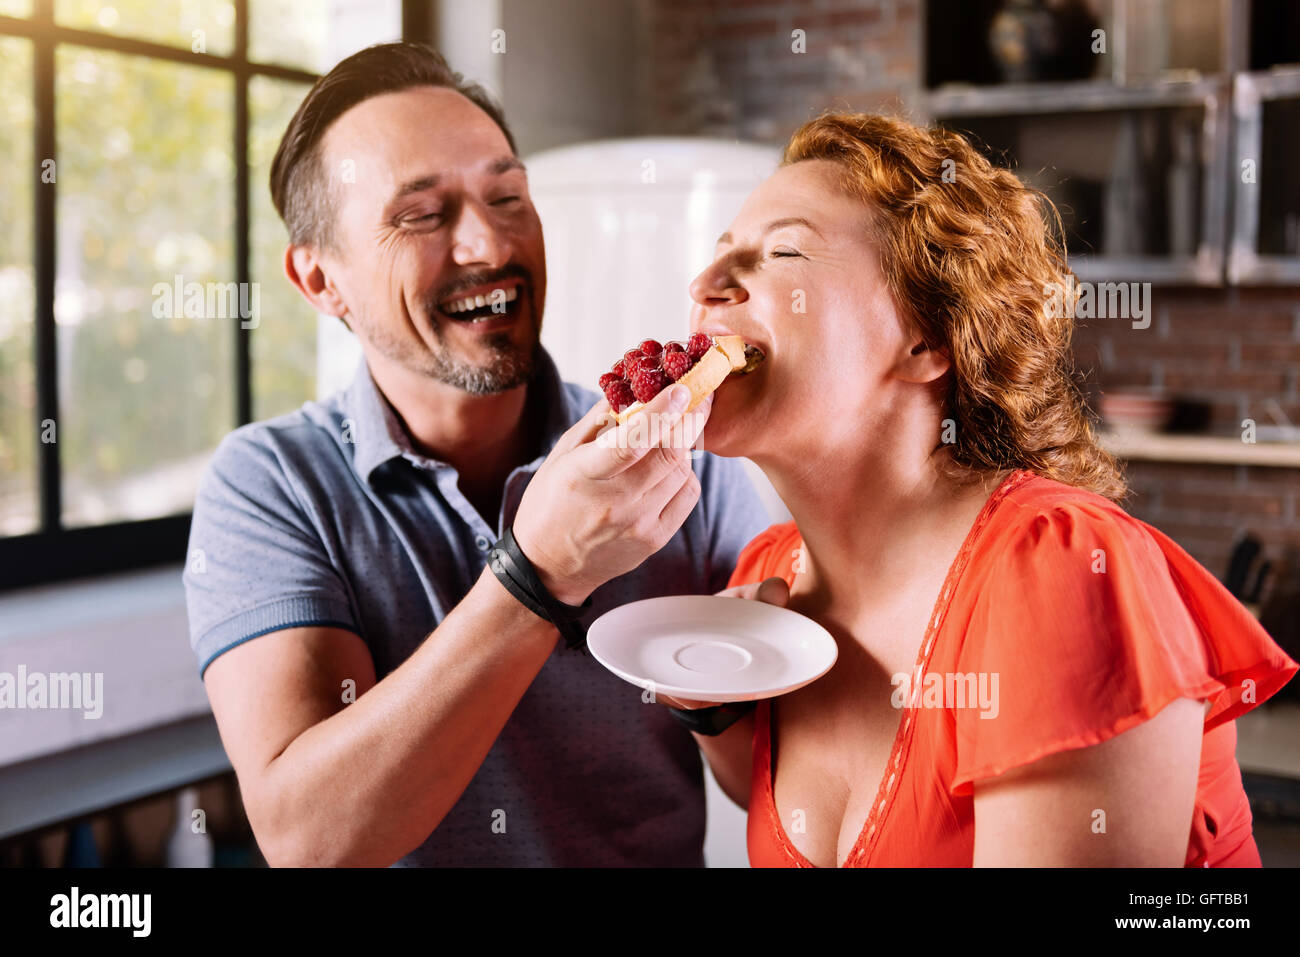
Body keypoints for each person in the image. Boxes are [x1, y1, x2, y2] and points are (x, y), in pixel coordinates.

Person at [182, 42, 769, 867]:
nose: (489, 245)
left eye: (509, 197)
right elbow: (310, 837)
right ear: (321, 282)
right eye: (423, 215)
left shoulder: (684, 457)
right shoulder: (273, 485)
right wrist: (538, 575)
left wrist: (716, 694)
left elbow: (767, 780)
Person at [674, 111, 1298, 867]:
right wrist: (714, 709)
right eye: (718, 257)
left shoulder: (1062, 568)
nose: (705, 285)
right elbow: (769, 794)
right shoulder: (767, 577)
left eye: (782, 251)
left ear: (925, 339)